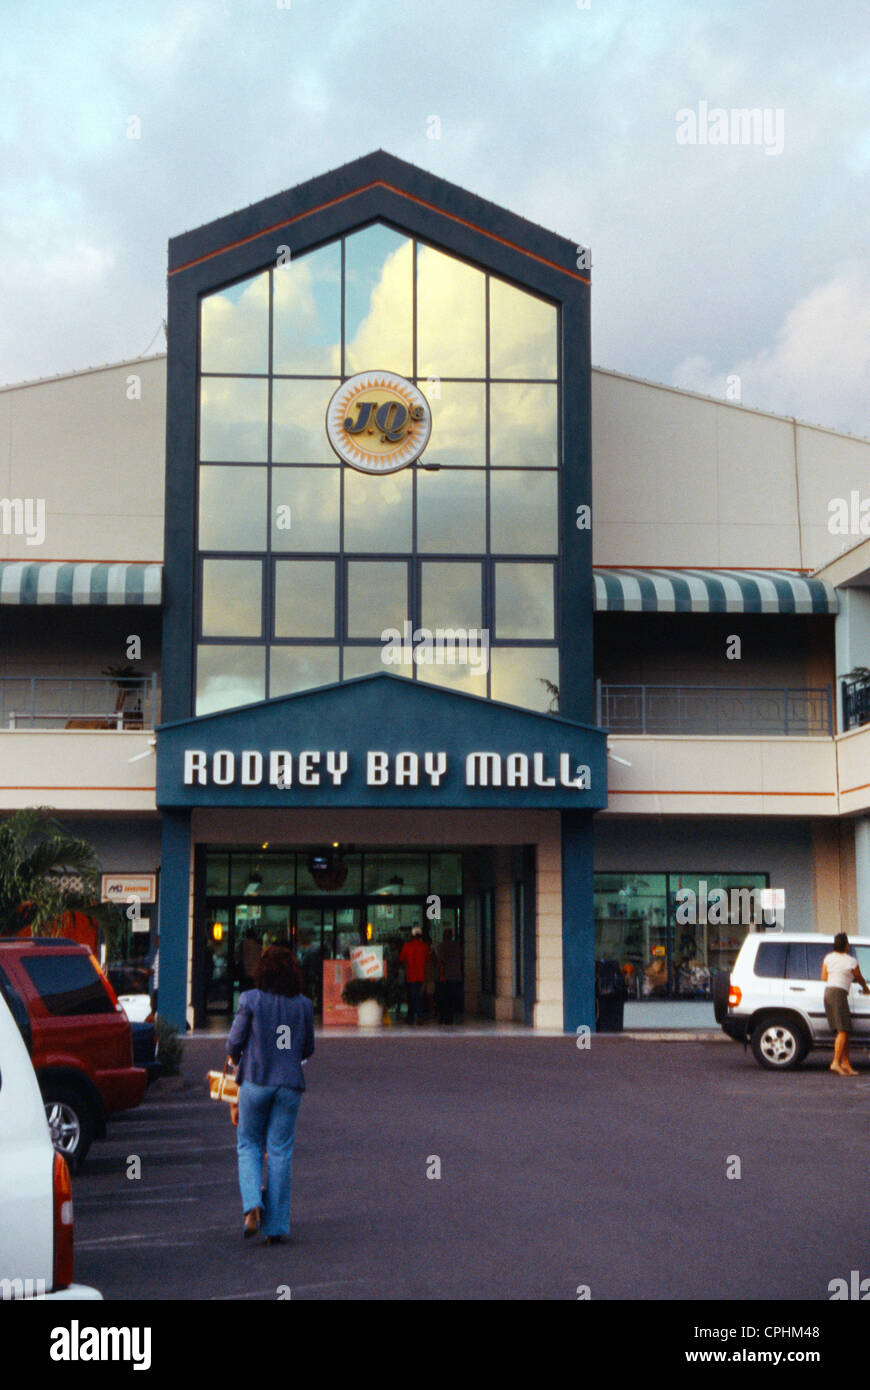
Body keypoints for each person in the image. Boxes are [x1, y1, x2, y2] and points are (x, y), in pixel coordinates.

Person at [226, 945, 314, 1242]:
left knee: (249, 1143)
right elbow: (308, 1048)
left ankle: (252, 1203)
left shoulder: (250, 999)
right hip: (289, 1084)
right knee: (280, 1151)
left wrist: (237, 1055)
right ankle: (275, 1226)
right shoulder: (303, 1005)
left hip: (255, 1080)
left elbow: (233, 1042)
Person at [821, 933, 870, 1076]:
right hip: (839, 994)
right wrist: (865, 989)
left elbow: (824, 977)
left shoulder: (828, 958)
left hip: (828, 993)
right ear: (846, 945)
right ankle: (835, 1062)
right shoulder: (851, 961)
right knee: (843, 1031)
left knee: (843, 1031)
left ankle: (846, 1063)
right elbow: (859, 977)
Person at [399, 925, 430, 1026]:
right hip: (421, 975)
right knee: (418, 997)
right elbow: (428, 959)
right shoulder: (424, 946)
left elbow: (401, 959)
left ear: (411, 936)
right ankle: (416, 1015)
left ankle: (416, 1016)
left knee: (413, 997)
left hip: (410, 976)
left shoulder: (406, 946)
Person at [436, 928, 463, 1024]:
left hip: (445, 976)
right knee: (452, 998)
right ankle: (450, 1018)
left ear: (444, 936)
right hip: (456, 976)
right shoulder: (457, 946)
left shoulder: (441, 946)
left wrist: (441, 975)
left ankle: (443, 1017)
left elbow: (441, 961)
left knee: (443, 997)